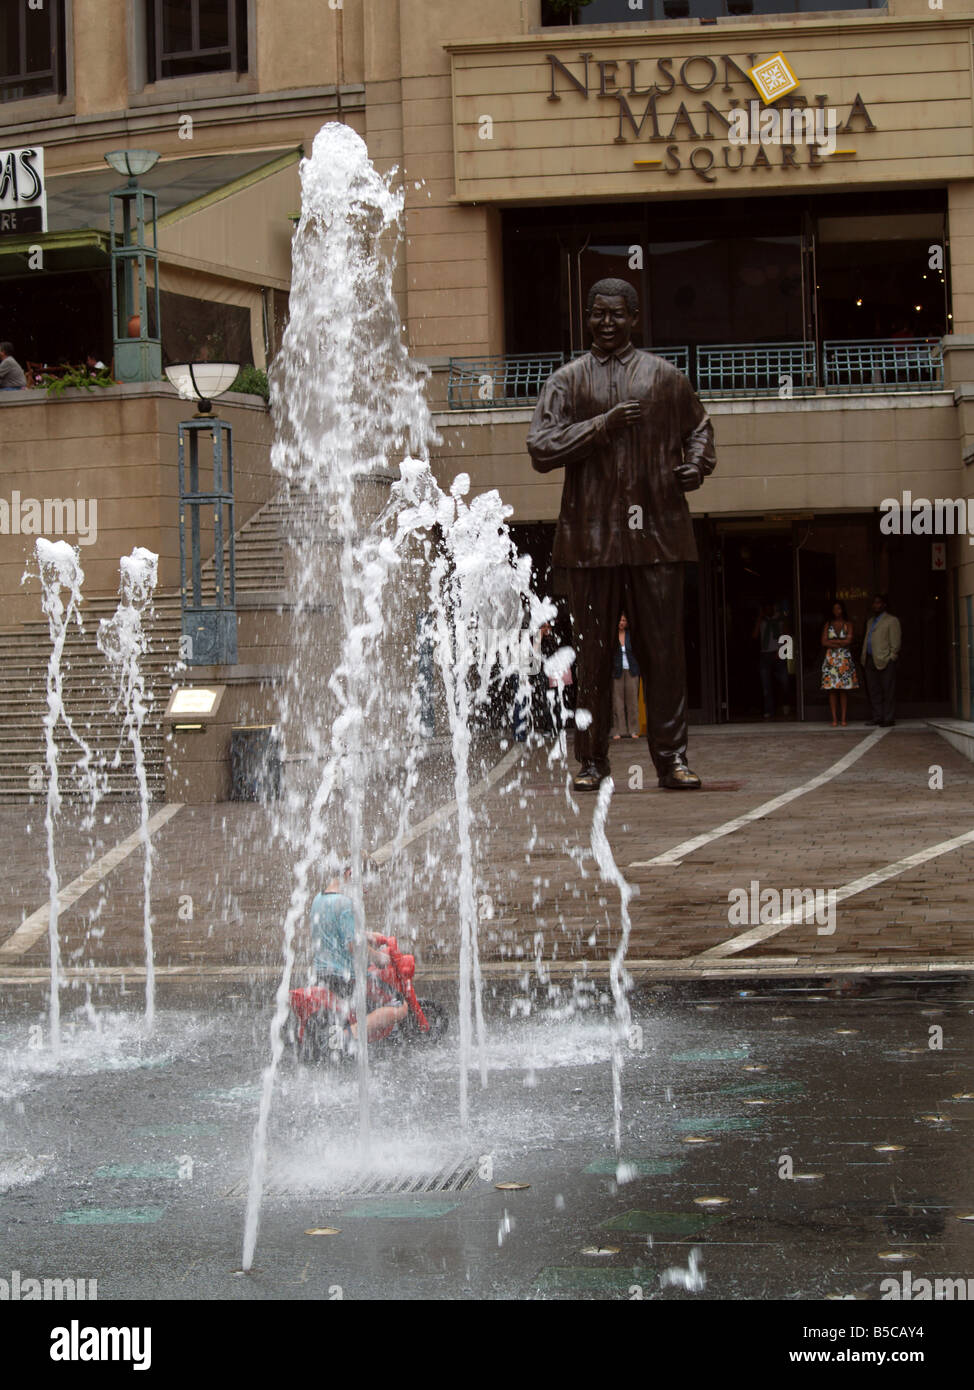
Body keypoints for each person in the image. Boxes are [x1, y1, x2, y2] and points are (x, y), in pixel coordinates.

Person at [527, 277, 716, 791]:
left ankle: (672, 759)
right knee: (591, 657)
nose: (606, 323)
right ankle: (591, 761)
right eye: (598, 313)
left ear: (634, 318)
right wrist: (602, 426)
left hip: (657, 535)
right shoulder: (567, 381)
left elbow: (700, 431)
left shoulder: (664, 378)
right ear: (587, 317)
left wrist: (696, 465)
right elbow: (541, 448)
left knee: (664, 654)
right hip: (591, 542)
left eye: (617, 314)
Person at [310, 866, 407, 1043]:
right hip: (346, 978)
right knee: (398, 1005)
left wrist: (368, 935)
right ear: (349, 873)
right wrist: (378, 957)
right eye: (363, 884)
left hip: (323, 974)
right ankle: (348, 1035)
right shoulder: (345, 904)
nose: (364, 891)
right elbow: (353, 945)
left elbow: (335, 931)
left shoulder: (319, 898)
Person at [861, 593, 901, 727]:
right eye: (874, 603)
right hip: (870, 659)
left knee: (888, 690)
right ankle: (877, 716)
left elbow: (895, 643)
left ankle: (888, 718)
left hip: (885, 660)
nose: (875, 605)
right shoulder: (870, 621)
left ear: (884, 605)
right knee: (874, 690)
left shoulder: (892, 620)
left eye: (878, 602)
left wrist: (892, 657)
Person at [820, 600, 858, 727]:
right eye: (834, 609)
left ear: (843, 610)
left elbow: (849, 640)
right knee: (832, 689)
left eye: (839, 608)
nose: (837, 611)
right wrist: (840, 642)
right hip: (831, 659)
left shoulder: (848, 624)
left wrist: (832, 642)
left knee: (843, 690)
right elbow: (824, 642)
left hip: (843, 659)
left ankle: (843, 718)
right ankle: (834, 719)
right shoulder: (828, 624)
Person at [752, 601, 790, 720]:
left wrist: (782, 651)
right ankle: (769, 710)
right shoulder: (762, 621)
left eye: (770, 608)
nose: (768, 610)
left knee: (785, 681)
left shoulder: (780, 620)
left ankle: (785, 704)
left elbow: (787, 636)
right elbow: (755, 636)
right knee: (766, 685)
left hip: (779, 653)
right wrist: (759, 618)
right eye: (766, 608)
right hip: (765, 655)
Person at [611, 613, 640, 739]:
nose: (622, 622)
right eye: (620, 620)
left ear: (627, 622)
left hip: (631, 670)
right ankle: (618, 731)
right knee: (617, 702)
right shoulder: (612, 636)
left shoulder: (631, 636)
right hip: (617, 671)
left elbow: (638, 651)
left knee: (632, 702)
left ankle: (633, 730)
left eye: (624, 620)